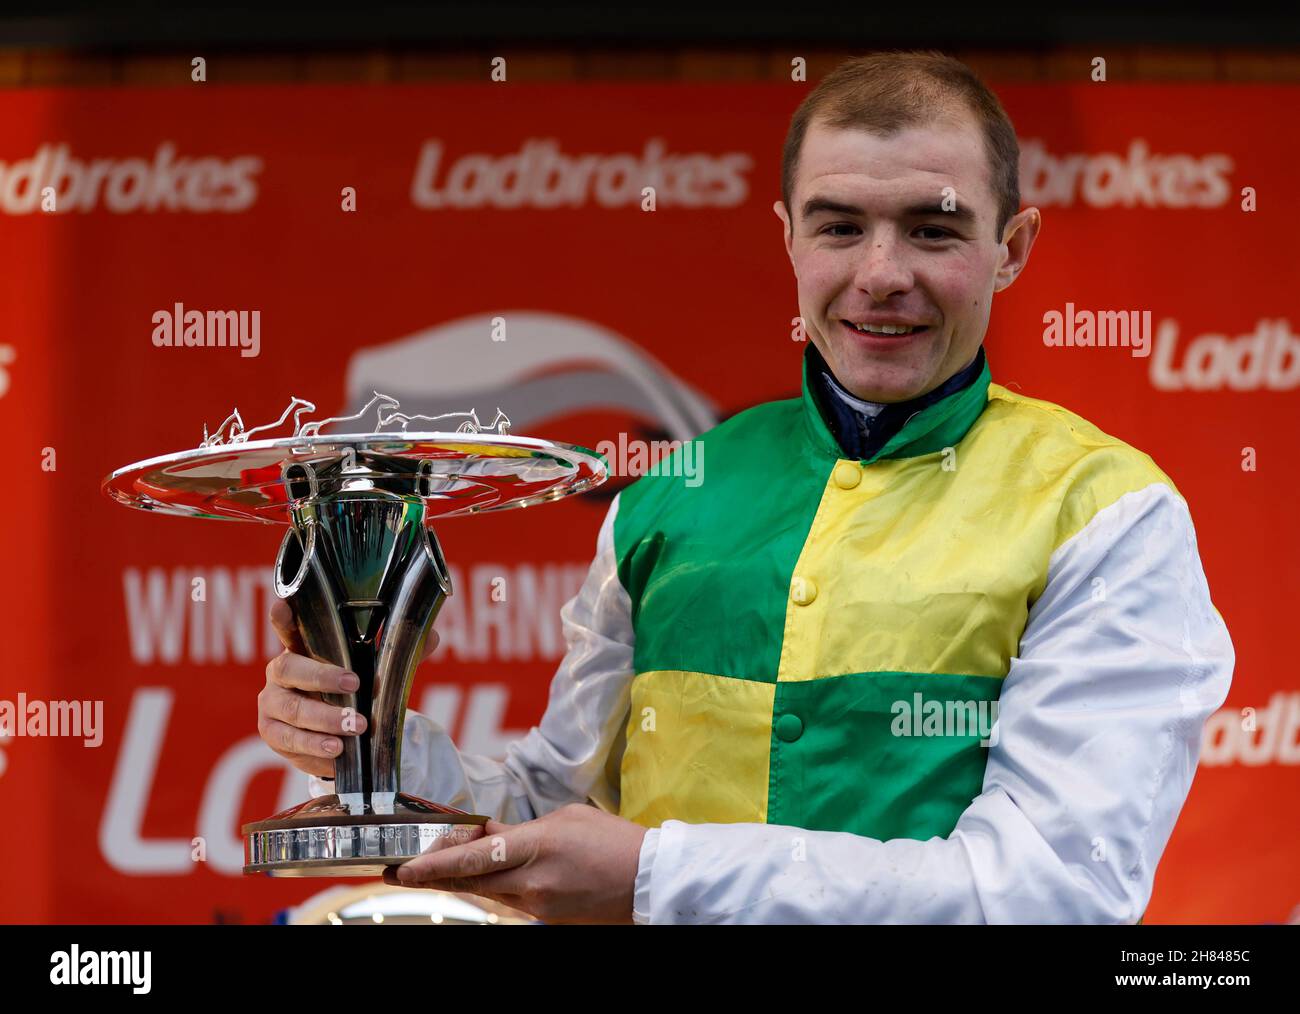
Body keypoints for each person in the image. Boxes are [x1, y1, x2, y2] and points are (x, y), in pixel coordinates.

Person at [257, 50, 1234, 924]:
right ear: (787, 238)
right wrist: (374, 751)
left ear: (1011, 248)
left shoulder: (1109, 511)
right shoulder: (672, 488)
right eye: (840, 227)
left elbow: (1046, 897)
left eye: (933, 231)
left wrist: (658, 875)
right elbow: (553, 808)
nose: (881, 274)